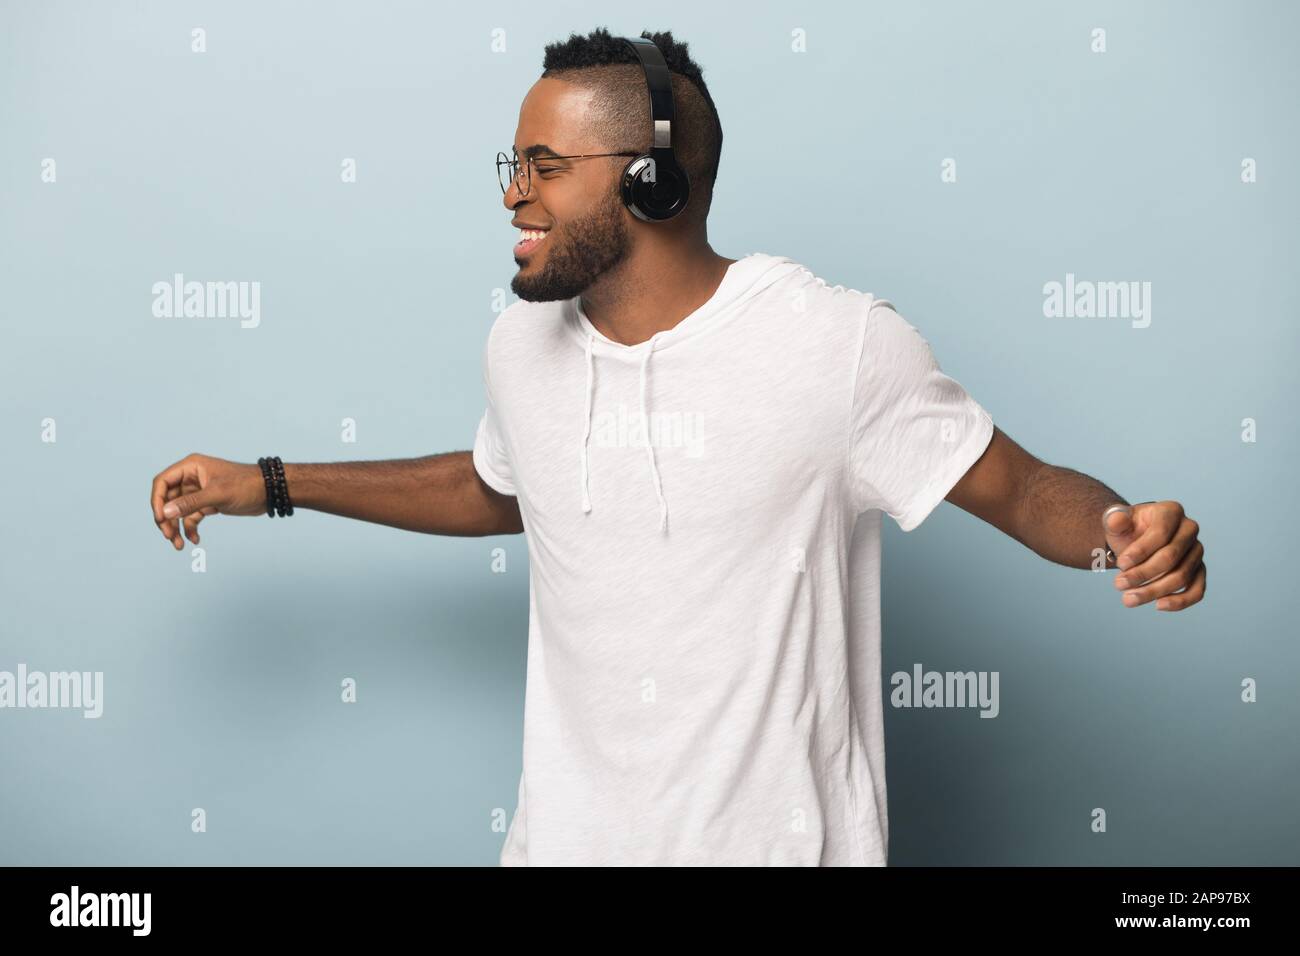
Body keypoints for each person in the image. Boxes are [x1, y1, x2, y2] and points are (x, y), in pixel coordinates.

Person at [149, 28, 1206, 866]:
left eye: (547, 166)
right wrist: (274, 482)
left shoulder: (833, 345)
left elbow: (1024, 492)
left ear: (653, 180)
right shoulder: (520, 345)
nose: (514, 193)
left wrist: (1126, 540)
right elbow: (496, 485)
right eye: (513, 163)